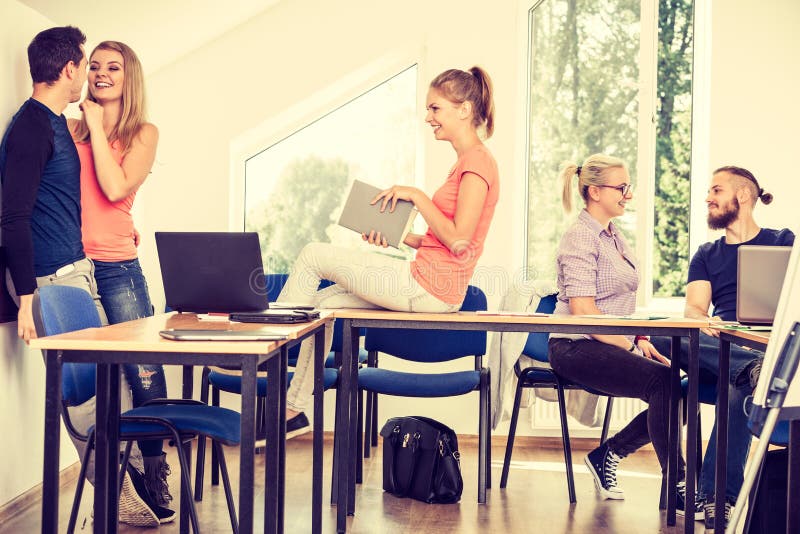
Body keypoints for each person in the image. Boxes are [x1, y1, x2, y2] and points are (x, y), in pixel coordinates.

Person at [275, 66, 498, 435]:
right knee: (323, 305)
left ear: (464, 109)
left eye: (435, 108)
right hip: (429, 283)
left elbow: (460, 238)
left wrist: (418, 196)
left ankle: (263, 345)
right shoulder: (466, 163)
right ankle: (293, 410)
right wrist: (399, 236)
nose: (428, 117)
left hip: (428, 287)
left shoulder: (477, 163)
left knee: (314, 254)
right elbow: (448, 242)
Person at [651, 165, 795, 529]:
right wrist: (707, 321)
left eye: (716, 190)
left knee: (736, 386)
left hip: (764, 345)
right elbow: (695, 308)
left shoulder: (783, 241)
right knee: (663, 334)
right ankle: (748, 370)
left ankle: (718, 498)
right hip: (718, 343)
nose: (708, 198)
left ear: (742, 195)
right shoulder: (706, 253)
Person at [67, 40, 174, 522]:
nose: (101, 73)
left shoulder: (143, 133)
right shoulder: (68, 129)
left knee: (143, 373)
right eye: (95, 66)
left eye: (113, 67)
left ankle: (155, 470)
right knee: (91, 379)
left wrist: (93, 125)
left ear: (129, 77)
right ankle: (118, 475)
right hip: (74, 268)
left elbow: (113, 188)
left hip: (118, 269)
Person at [546, 154, 687, 505]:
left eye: (629, 187)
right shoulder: (580, 238)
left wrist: (639, 337)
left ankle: (608, 454)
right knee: (663, 382)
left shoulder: (614, 236)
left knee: (684, 388)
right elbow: (584, 312)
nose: (629, 194)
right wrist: (631, 347)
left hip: (606, 340)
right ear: (595, 192)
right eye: (622, 188)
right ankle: (679, 486)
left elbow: (617, 301)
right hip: (573, 346)